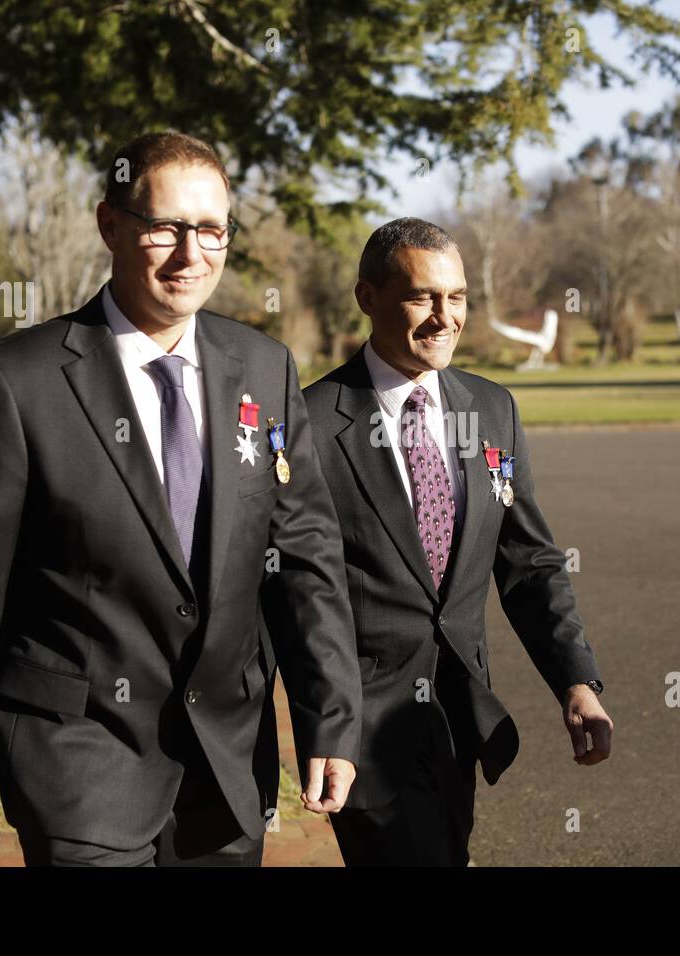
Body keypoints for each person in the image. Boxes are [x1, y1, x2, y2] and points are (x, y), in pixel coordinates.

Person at [0, 131, 360, 867]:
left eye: (212, 230)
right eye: (165, 229)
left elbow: (306, 556)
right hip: (77, 768)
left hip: (225, 772)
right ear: (110, 225)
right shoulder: (15, 383)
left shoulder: (264, 367)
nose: (192, 254)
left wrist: (331, 719)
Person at [274, 217, 612, 866]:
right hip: (363, 729)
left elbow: (530, 562)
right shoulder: (311, 423)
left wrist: (576, 681)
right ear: (367, 297)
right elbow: (291, 591)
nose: (444, 317)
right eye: (421, 297)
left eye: (456, 298)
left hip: (460, 718)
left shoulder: (492, 410)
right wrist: (323, 724)